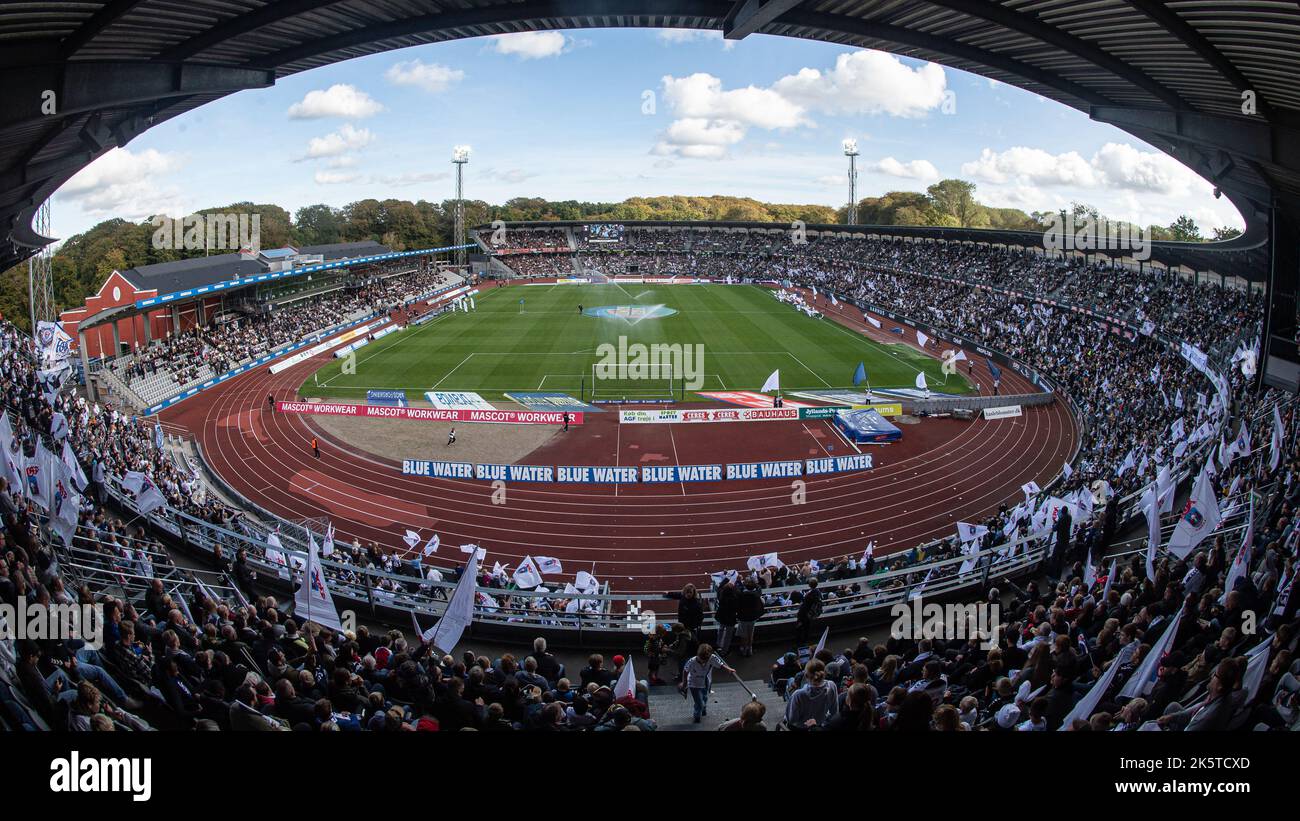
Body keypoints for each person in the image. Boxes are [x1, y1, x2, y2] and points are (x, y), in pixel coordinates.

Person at [680, 644, 735, 724]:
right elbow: (685, 671)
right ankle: (697, 716)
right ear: (698, 655)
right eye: (701, 660)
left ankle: (703, 707)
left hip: (705, 681)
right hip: (694, 683)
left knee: (705, 697)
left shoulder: (712, 657)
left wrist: (729, 669)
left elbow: (720, 664)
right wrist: (684, 683)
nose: (703, 662)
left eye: (706, 660)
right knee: (699, 702)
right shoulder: (692, 661)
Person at [795, 578, 822, 647]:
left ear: (809, 585)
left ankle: (801, 642)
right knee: (806, 627)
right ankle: (804, 641)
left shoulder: (810, 594)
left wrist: (800, 614)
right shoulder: (817, 592)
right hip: (809, 614)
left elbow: (805, 604)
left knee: (800, 627)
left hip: (805, 614)